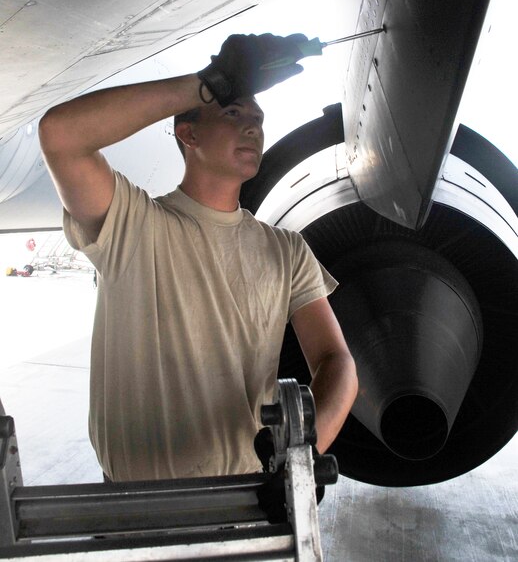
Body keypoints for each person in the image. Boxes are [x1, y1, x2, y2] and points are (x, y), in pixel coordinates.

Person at [39, 32, 358, 482]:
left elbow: (336, 361)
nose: (253, 127)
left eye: (257, 117)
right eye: (232, 112)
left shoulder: (286, 250)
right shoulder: (132, 225)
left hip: (248, 499)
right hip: (135, 509)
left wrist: (301, 458)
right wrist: (210, 83)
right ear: (187, 132)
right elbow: (61, 135)